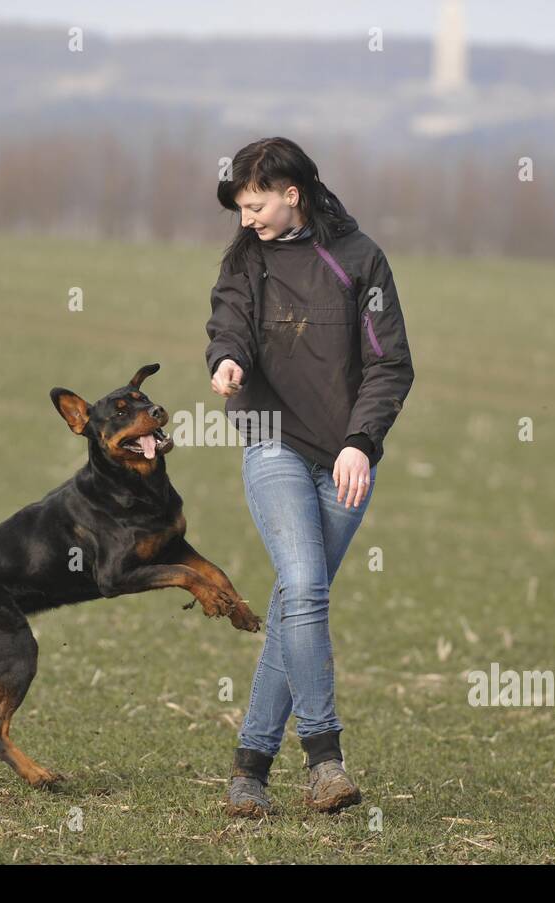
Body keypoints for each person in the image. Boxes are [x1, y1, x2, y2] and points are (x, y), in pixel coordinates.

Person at [205, 137, 414, 816]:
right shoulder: (246, 260)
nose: (247, 219)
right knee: (303, 586)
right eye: (240, 208)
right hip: (272, 441)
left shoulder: (360, 260)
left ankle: (248, 772)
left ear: (291, 194)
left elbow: (389, 366)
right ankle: (325, 758)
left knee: (300, 602)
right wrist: (228, 360)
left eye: (256, 205)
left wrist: (361, 442)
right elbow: (227, 322)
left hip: (345, 460)